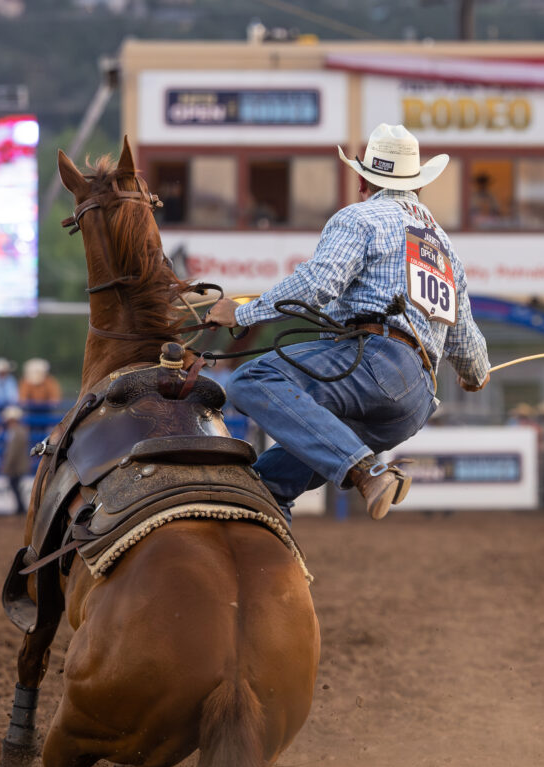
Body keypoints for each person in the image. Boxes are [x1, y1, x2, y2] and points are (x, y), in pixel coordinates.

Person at [206, 123, 490, 520]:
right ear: (419, 186)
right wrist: (475, 374)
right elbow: (467, 344)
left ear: (362, 181)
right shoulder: (445, 248)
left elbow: (317, 284)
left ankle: (367, 472)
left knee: (251, 379)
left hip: (372, 365)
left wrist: (240, 312)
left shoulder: (360, 218)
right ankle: (283, 521)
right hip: (413, 403)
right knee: (267, 485)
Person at [0, 405, 31, 515]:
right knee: (15, 485)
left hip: (16, 465)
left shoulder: (15, 432)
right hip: (18, 464)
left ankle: (20, 508)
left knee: (14, 485)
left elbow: (12, 452)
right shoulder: (19, 431)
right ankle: (20, 507)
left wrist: (7, 465)